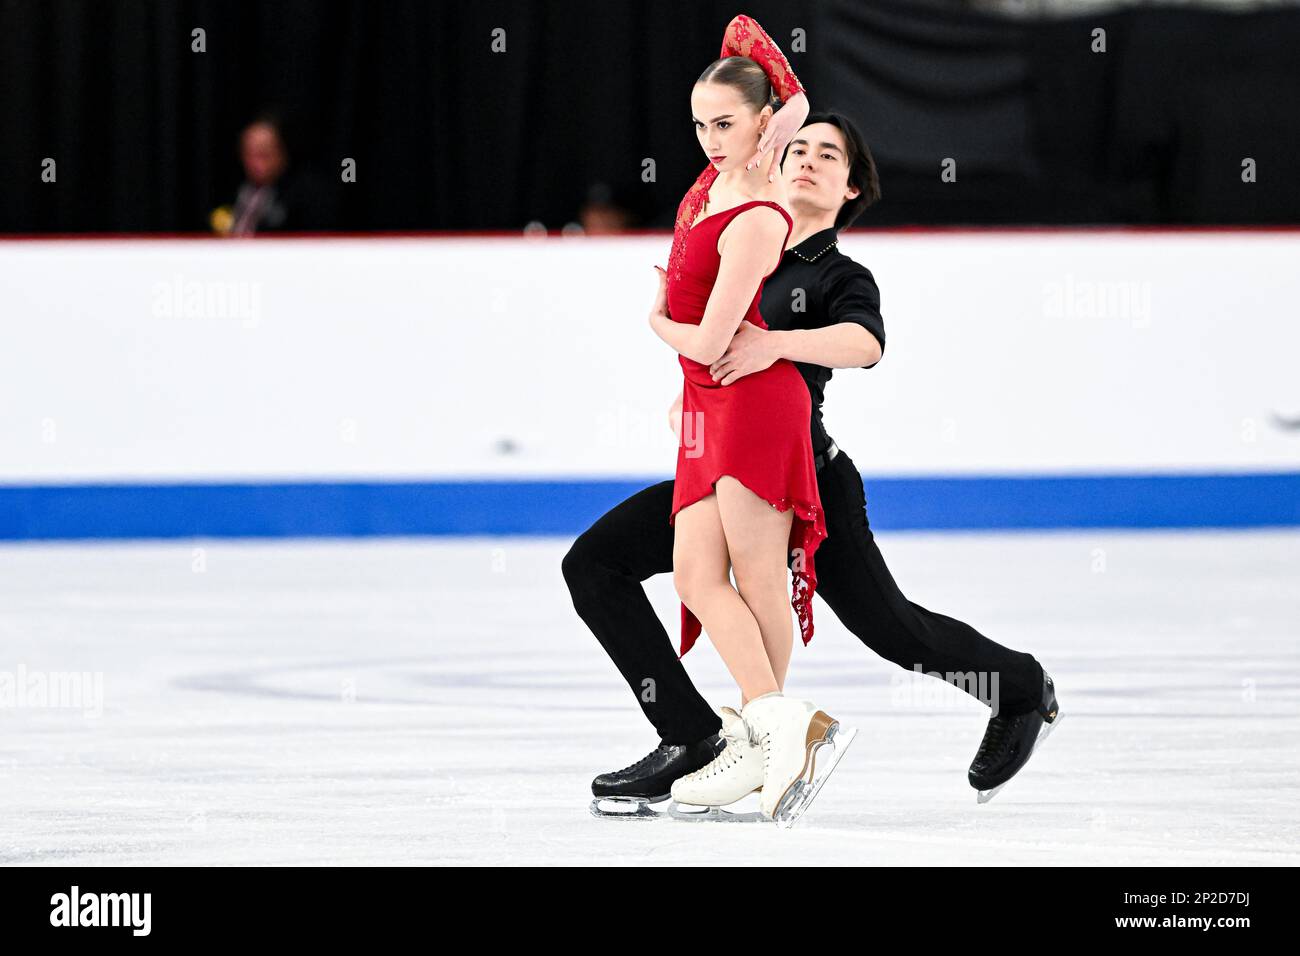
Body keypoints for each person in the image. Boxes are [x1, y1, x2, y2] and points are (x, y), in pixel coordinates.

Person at [570, 94, 1062, 817]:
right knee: (595, 563)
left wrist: (775, 344)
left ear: (850, 189)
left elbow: (865, 345)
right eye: (799, 149)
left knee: (893, 632)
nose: (807, 160)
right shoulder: (740, 241)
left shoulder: (837, 274)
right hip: (718, 467)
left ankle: (1019, 689)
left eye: (828, 156)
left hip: (808, 475)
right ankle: (690, 735)